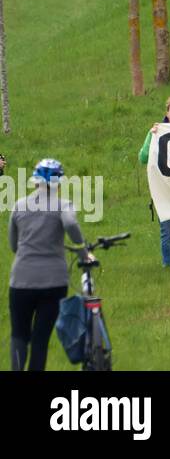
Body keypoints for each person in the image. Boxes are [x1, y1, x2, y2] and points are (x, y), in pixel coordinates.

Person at [8, 159, 91, 371]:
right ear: (59, 183)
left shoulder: (19, 205)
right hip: (53, 282)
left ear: (35, 182)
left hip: (21, 280)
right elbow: (71, 223)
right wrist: (82, 250)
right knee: (40, 338)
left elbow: (13, 245)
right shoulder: (62, 205)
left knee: (19, 334)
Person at [138, 96, 170, 266]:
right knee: (167, 231)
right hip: (163, 190)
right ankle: (168, 266)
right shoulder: (156, 131)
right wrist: (152, 138)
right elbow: (143, 157)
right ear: (167, 113)